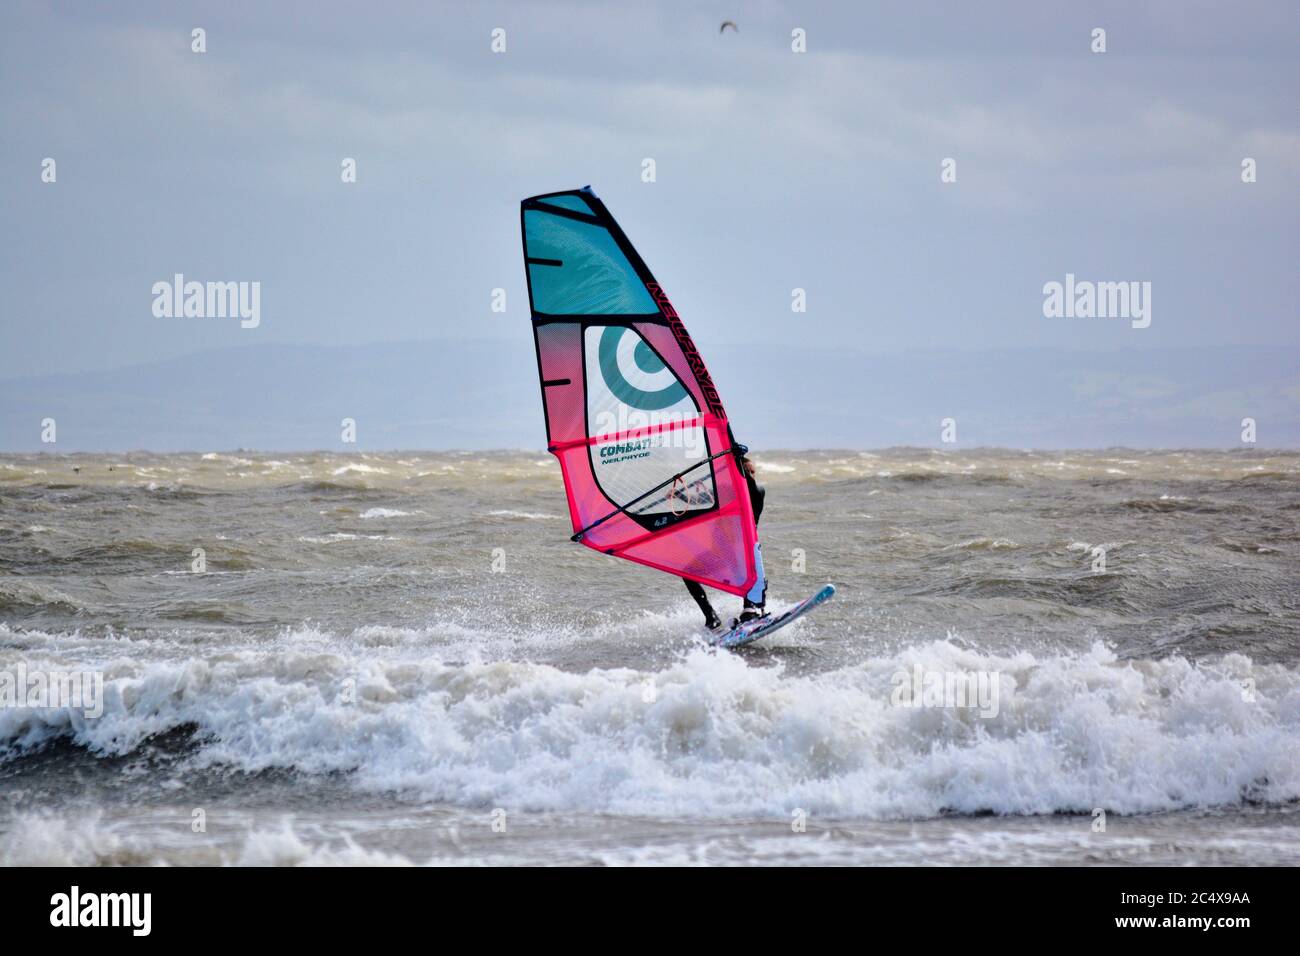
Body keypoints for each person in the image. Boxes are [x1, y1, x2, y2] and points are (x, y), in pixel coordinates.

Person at [684, 438, 768, 630]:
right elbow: (702, 500)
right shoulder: (726, 492)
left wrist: (739, 467)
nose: (752, 475)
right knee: (688, 573)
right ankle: (710, 615)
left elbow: (751, 490)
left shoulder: (757, 491)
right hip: (720, 550)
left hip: (744, 549)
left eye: (753, 472)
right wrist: (679, 495)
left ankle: (750, 611)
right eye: (748, 471)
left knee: (752, 574)